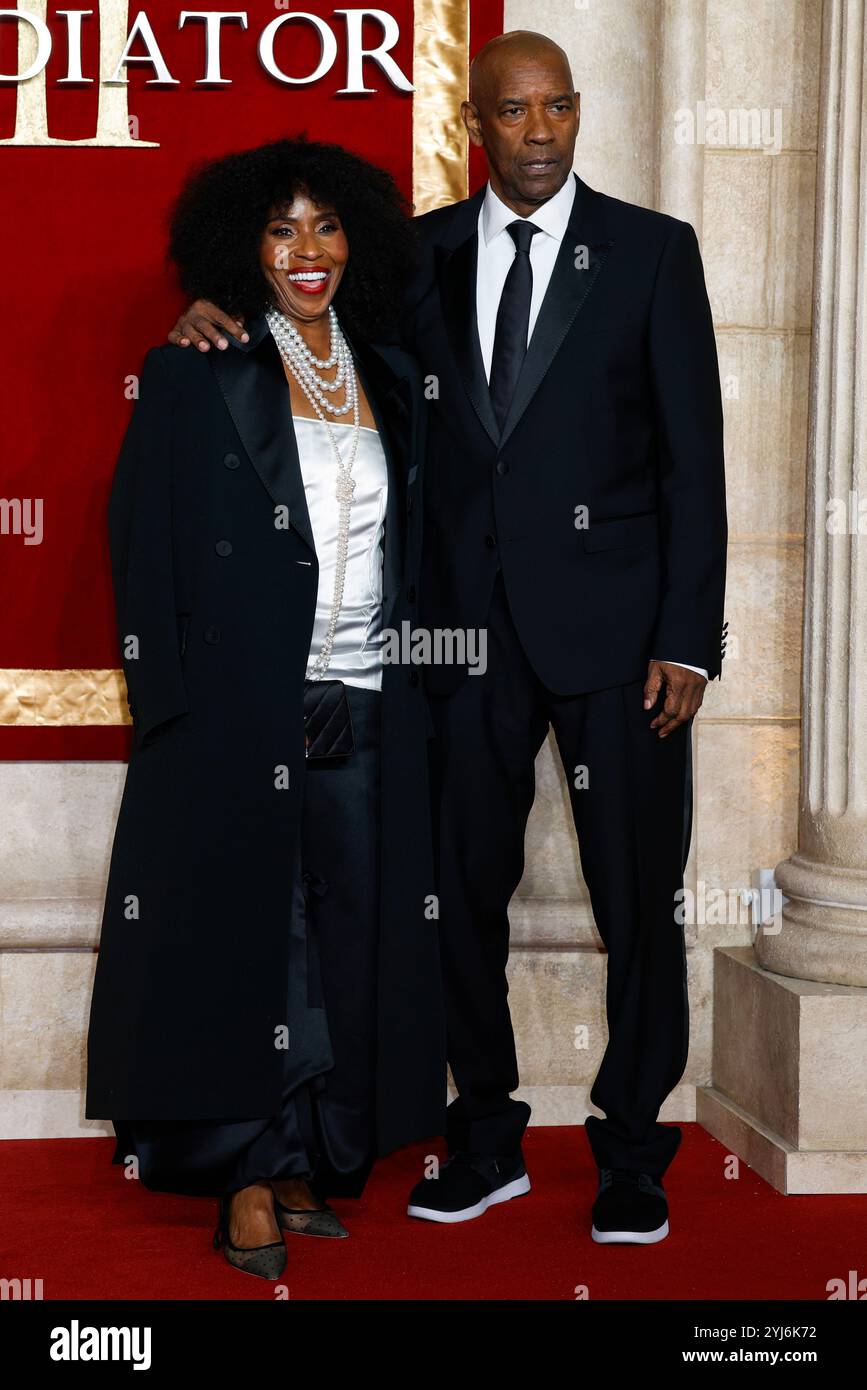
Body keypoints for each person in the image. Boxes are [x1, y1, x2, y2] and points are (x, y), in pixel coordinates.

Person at [168, 30, 728, 1245]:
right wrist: (209, 307)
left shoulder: (650, 252)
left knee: (642, 899)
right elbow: (316, 345)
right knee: (458, 894)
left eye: (555, 109)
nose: (536, 132)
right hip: (457, 646)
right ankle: (484, 1135)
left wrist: (688, 637)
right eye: (512, 112)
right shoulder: (417, 252)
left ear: (578, 116)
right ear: (479, 125)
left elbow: (698, 460)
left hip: (624, 640)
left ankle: (633, 1147)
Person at [86, 137, 445, 1280]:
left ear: (360, 242)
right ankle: (241, 1168)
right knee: (250, 936)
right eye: (283, 227)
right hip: (241, 707)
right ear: (245, 242)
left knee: (343, 930)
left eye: (327, 226)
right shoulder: (201, 364)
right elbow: (142, 544)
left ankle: (307, 1151)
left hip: (367, 700)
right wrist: (175, 710)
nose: (307, 250)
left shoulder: (390, 373)